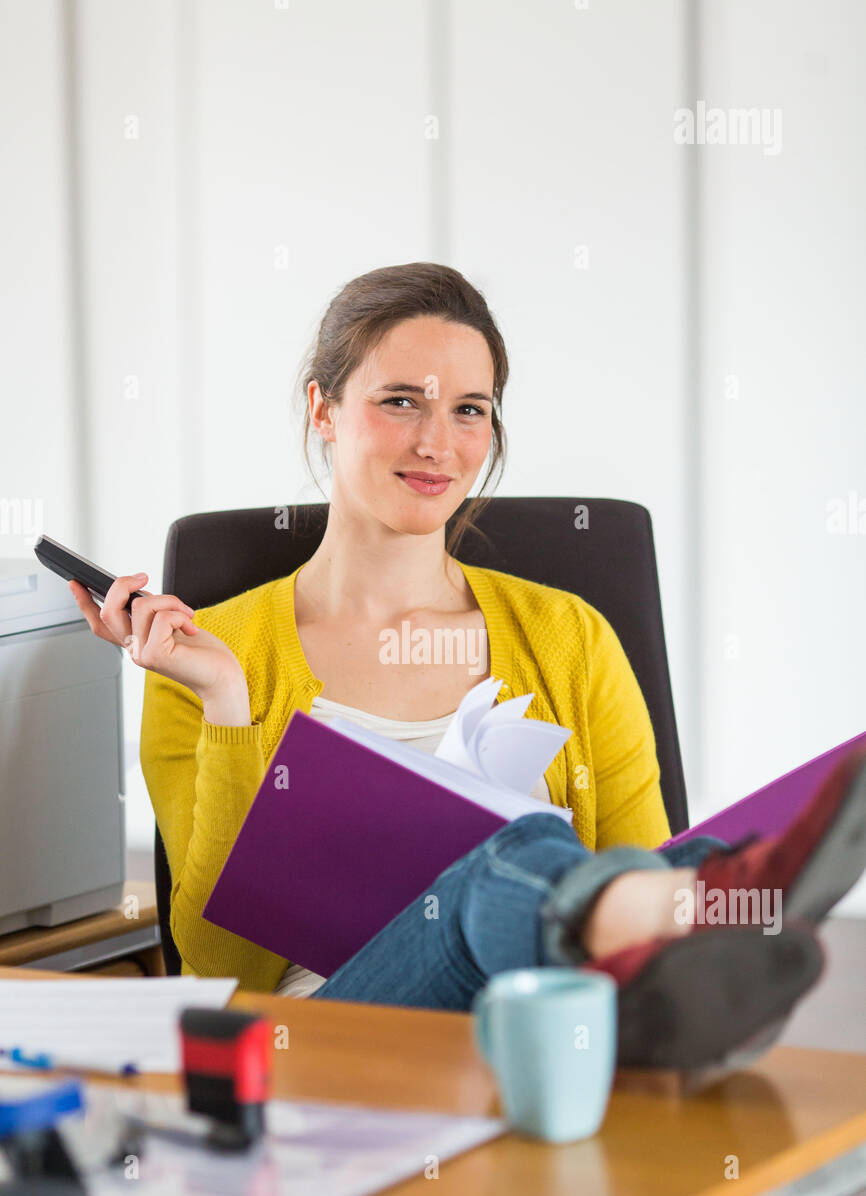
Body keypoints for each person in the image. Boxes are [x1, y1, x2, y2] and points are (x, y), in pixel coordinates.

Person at [69, 262, 866, 1078]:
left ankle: (708, 908)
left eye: (469, 410)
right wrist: (227, 704)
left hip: (546, 1028)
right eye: (400, 400)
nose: (436, 443)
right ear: (324, 410)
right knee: (495, 866)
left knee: (619, 887)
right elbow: (221, 970)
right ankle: (727, 896)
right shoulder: (208, 659)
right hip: (329, 1047)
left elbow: (639, 864)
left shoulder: (572, 637)